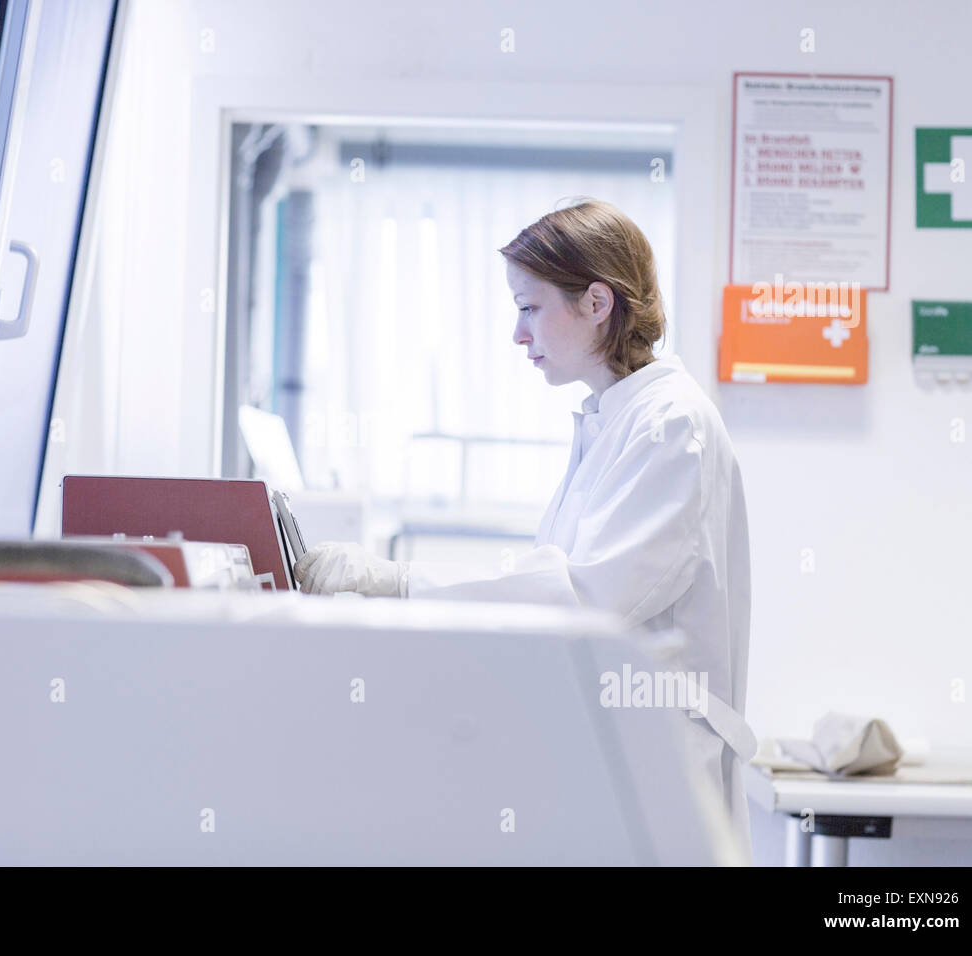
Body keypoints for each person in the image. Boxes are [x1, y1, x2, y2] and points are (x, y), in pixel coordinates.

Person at [294, 198, 755, 854]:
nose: (518, 334)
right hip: (617, 752)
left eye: (529, 307)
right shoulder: (615, 418)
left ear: (597, 303)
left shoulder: (669, 425)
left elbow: (586, 597)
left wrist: (396, 583)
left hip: (657, 762)